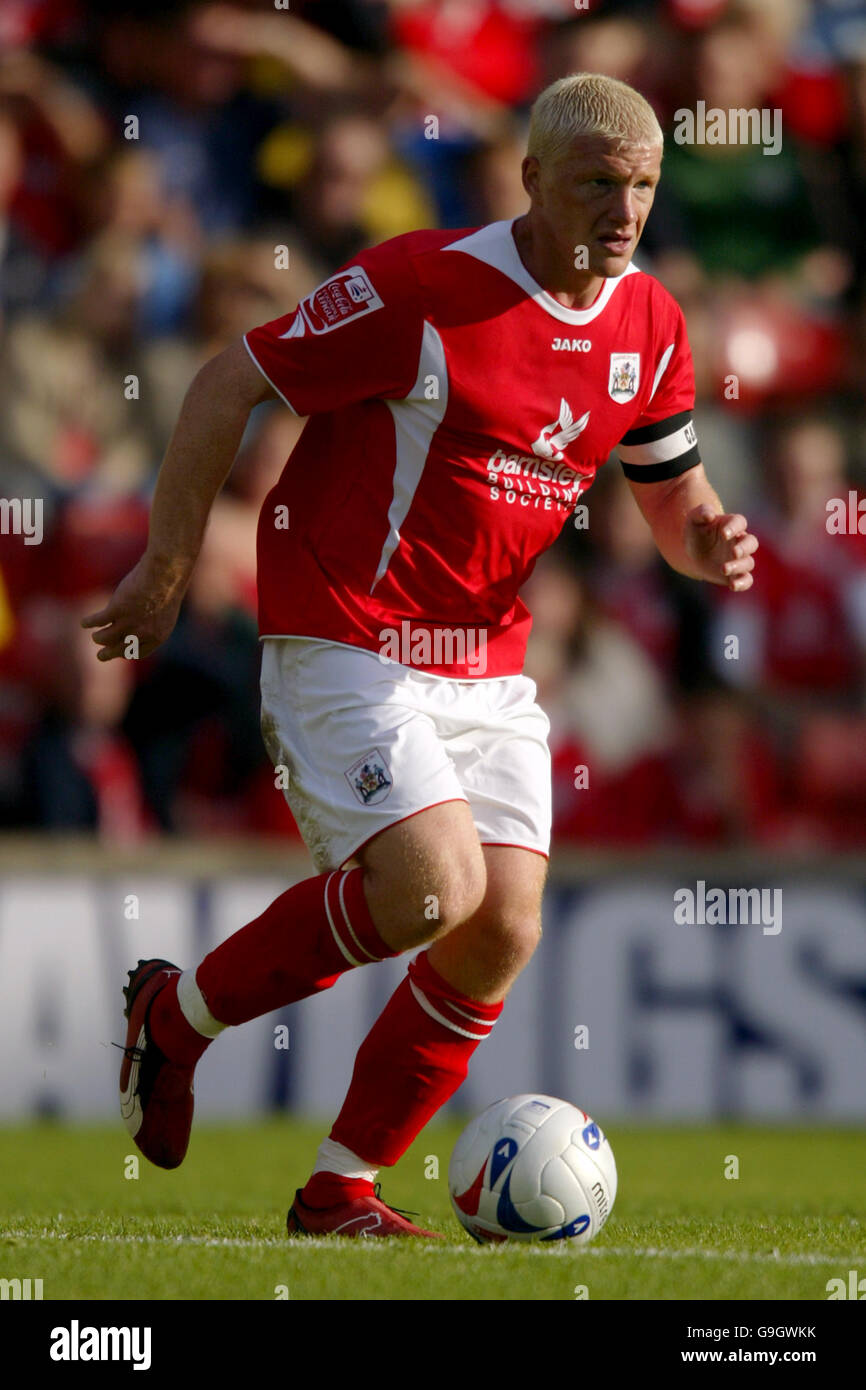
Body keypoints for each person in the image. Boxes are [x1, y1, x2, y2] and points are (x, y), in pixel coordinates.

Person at [84, 73, 758, 1240]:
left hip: (488, 665)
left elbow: (670, 499)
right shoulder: (419, 287)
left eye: (642, 185)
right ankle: (178, 1019)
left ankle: (339, 1189)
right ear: (530, 179)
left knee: (497, 926)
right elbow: (224, 379)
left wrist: (706, 540)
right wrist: (164, 572)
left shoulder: (648, 322)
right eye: (598, 181)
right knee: (431, 887)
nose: (624, 207)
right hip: (348, 636)